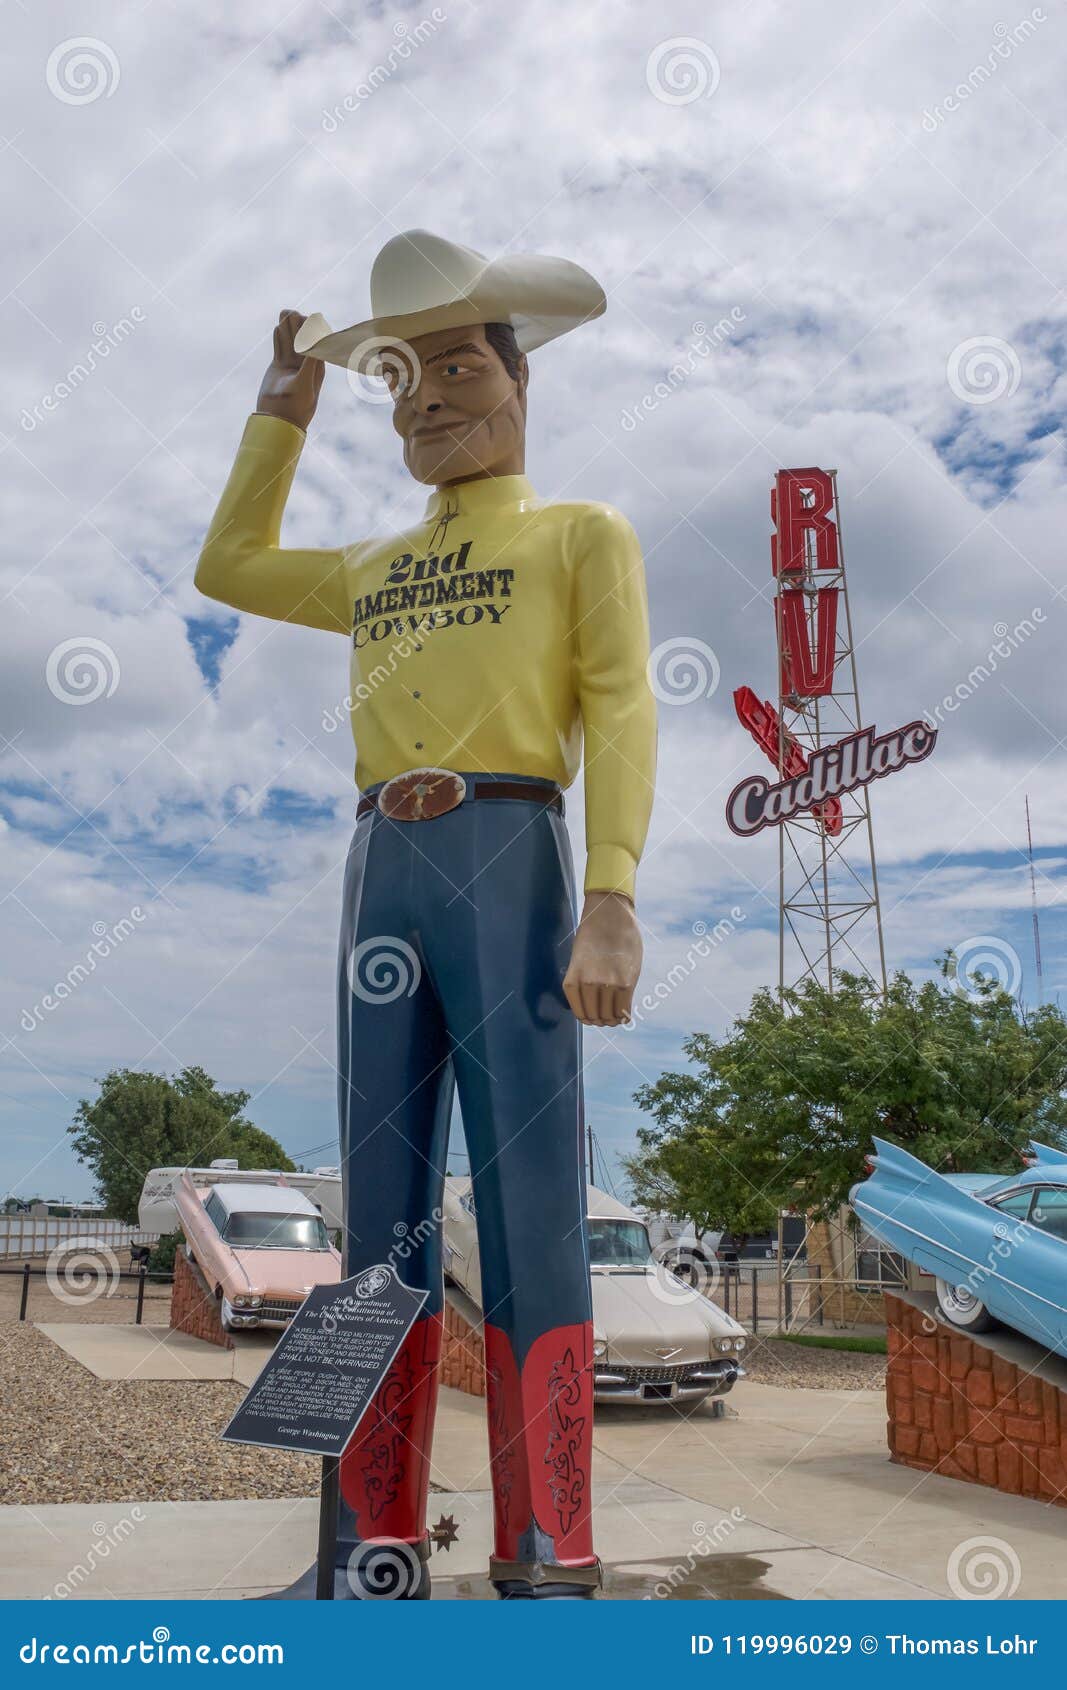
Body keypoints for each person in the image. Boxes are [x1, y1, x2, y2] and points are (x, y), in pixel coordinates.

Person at [196, 230, 657, 1599]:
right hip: (380, 869)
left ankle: (549, 1544)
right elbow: (228, 566)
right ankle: (366, 1542)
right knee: (381, 1213)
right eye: (399, 379)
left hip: (514, 853)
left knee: (531, 1207)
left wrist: (616, 894)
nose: (425, 400)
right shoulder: (376, 569)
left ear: (521, 386)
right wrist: (284, 409)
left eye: (456, 367)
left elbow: (623, 703)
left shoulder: (582, 533)